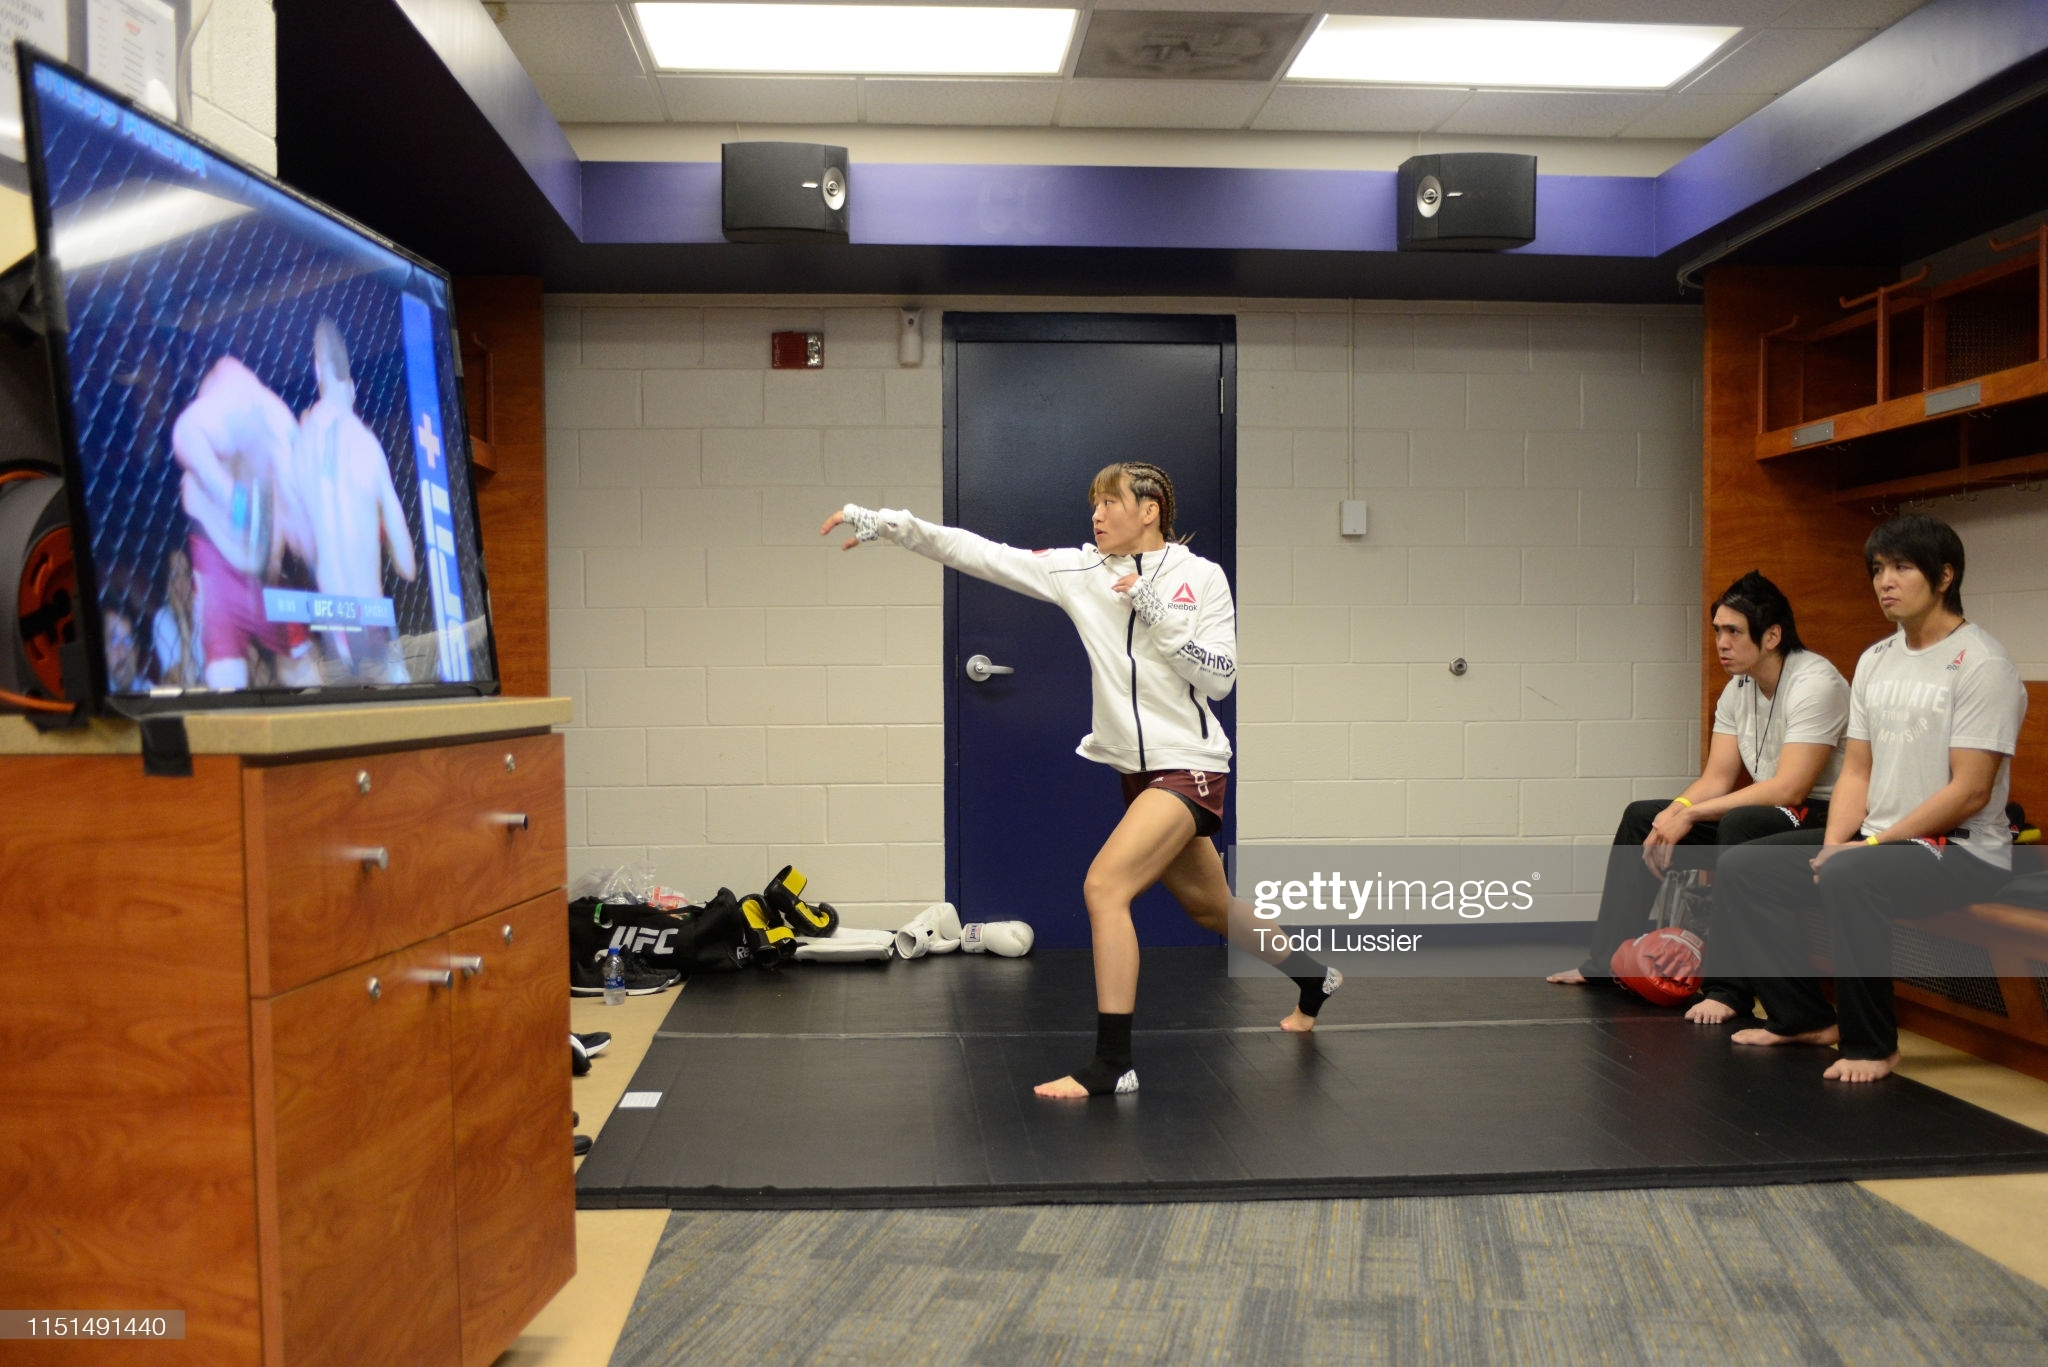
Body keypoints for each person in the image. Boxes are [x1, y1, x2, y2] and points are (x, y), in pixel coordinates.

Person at [822, 462, 1340, 1099]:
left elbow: (1220, 677)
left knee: (1104, 887)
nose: (1096, 515)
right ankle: (1314, 979)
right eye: (1093, 503)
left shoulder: (1201, 579)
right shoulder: (1079, 570)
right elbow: (981, 553)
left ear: (1149, 510)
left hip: (1192, 767)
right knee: (1211, 909)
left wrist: (1157, 614)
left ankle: (1112, 1064)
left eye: (1110, 502)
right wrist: (892, 526)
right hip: (1136, 772)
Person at [1711, 514, 2027, 1083]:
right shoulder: (1876, 658)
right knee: (1743, 866)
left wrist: (1867, 847)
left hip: (1961, 850)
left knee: (1851, 876)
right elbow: (1857, 770)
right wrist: (1836, 844)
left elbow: (1971, 789)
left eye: (1902, 568)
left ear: (1945, 576)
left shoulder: (1982, 664)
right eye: (1878, 569)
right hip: (1877, 842)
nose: (1885, 581)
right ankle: (1801, 1018)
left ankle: (1872, 1046)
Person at [1548, 572, 1848, 1021]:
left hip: (1825, 817)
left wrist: (1691, 815)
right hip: (1769, 811)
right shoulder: (1738, 687)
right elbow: (1716, 778)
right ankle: (1605, 963)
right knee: (1641, 817)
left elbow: (1791, 788)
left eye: (1733, 632)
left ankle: (1728, 991)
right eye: (1717, 632)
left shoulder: (1814, 683)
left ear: (1772, 636)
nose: (1721, 644)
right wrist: (1676, 813)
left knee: (1740, 823)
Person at [170, 356, 319, 689]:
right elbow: (186, 434)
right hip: (217, 554)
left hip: (263, 571)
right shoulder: (230, 413)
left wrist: (297, 534)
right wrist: (235, 503)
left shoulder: (281, 430)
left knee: (303, 675)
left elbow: (296, 522)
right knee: (227, 677)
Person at [292, 319, 419, 683]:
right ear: (352, 388)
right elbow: (407, 566)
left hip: (330, 623)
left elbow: (299, 544)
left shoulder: (300, 443)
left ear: (318, 369)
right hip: (371, 617)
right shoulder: (368, 446)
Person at [152, 547, 203, 688]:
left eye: (187, 574)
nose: (183, 584)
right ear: (167, 583)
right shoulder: (162, 619)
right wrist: (182, 620)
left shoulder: (202, 611)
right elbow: (187, 685)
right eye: (175, 576)